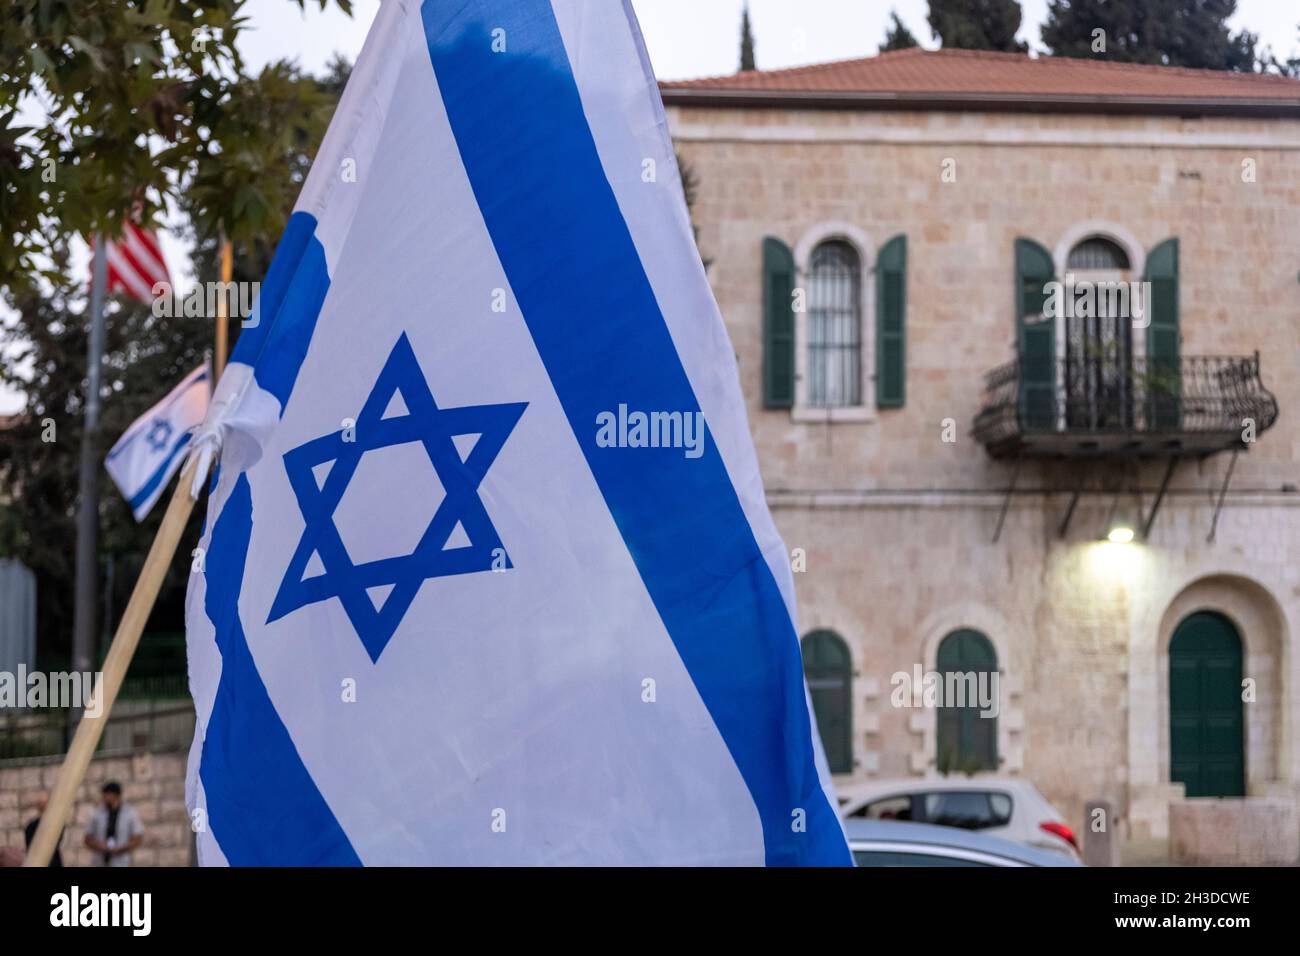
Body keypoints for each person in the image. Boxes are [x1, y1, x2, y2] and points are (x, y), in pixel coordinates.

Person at [84, 781, 144, 867]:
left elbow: (137, 838)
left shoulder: (130, 813)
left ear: (115, 795)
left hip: (120, 862)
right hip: (100, 861)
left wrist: (120, 849)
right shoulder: (97, 813)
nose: (104, 798)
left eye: (107, 795)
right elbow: (87, 838)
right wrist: (100, 847)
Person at [23, 791, 63, 867]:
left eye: (45, 802)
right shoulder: (30, 827)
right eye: (41, 802)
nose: (43, 805)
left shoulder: (56, 823)